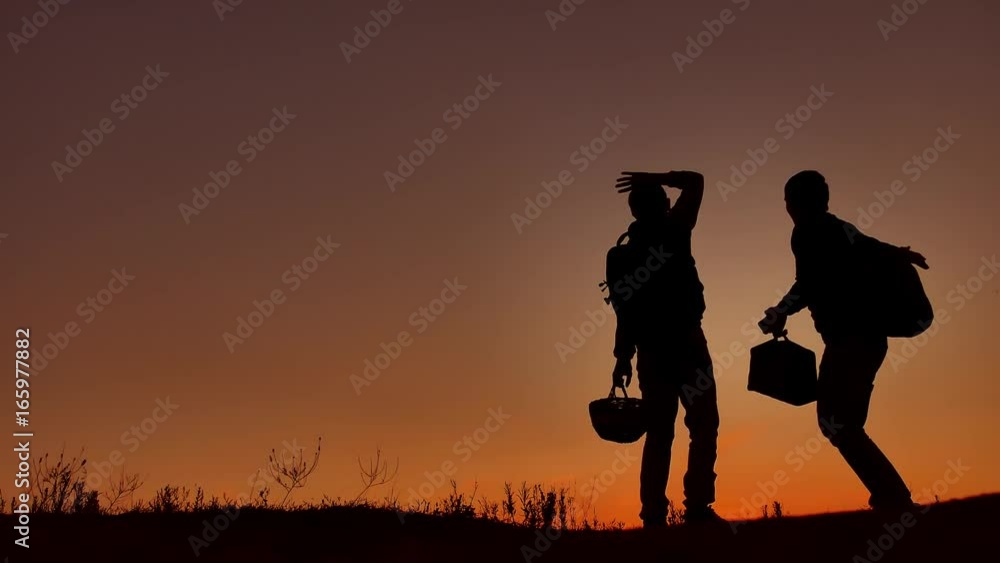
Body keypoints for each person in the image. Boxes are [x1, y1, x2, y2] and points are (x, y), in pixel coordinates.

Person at [758, 170, 928, 512]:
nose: (788, 208)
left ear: (797, 203)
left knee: (837, 423)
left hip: (849, 341)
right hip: (868, 341)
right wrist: (899, 253)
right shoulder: (838, 228)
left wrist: (781, 311)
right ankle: (892, 496)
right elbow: (868, 246)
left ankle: (893, 497)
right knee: (844, 424)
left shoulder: (808, 232)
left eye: (789, 201)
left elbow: (808, 283)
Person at [610, 170, 722, 527]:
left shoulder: (620, 256)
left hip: (651, 353)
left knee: (660, 433)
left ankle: (654, 517)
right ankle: (697, 508)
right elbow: (696, 180)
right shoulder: (675, 230)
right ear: (663, 205)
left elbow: (624, 312)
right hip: (687, 345)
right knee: (703, 424)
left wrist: (622, 357)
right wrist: (654, 176)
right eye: (665, 199)